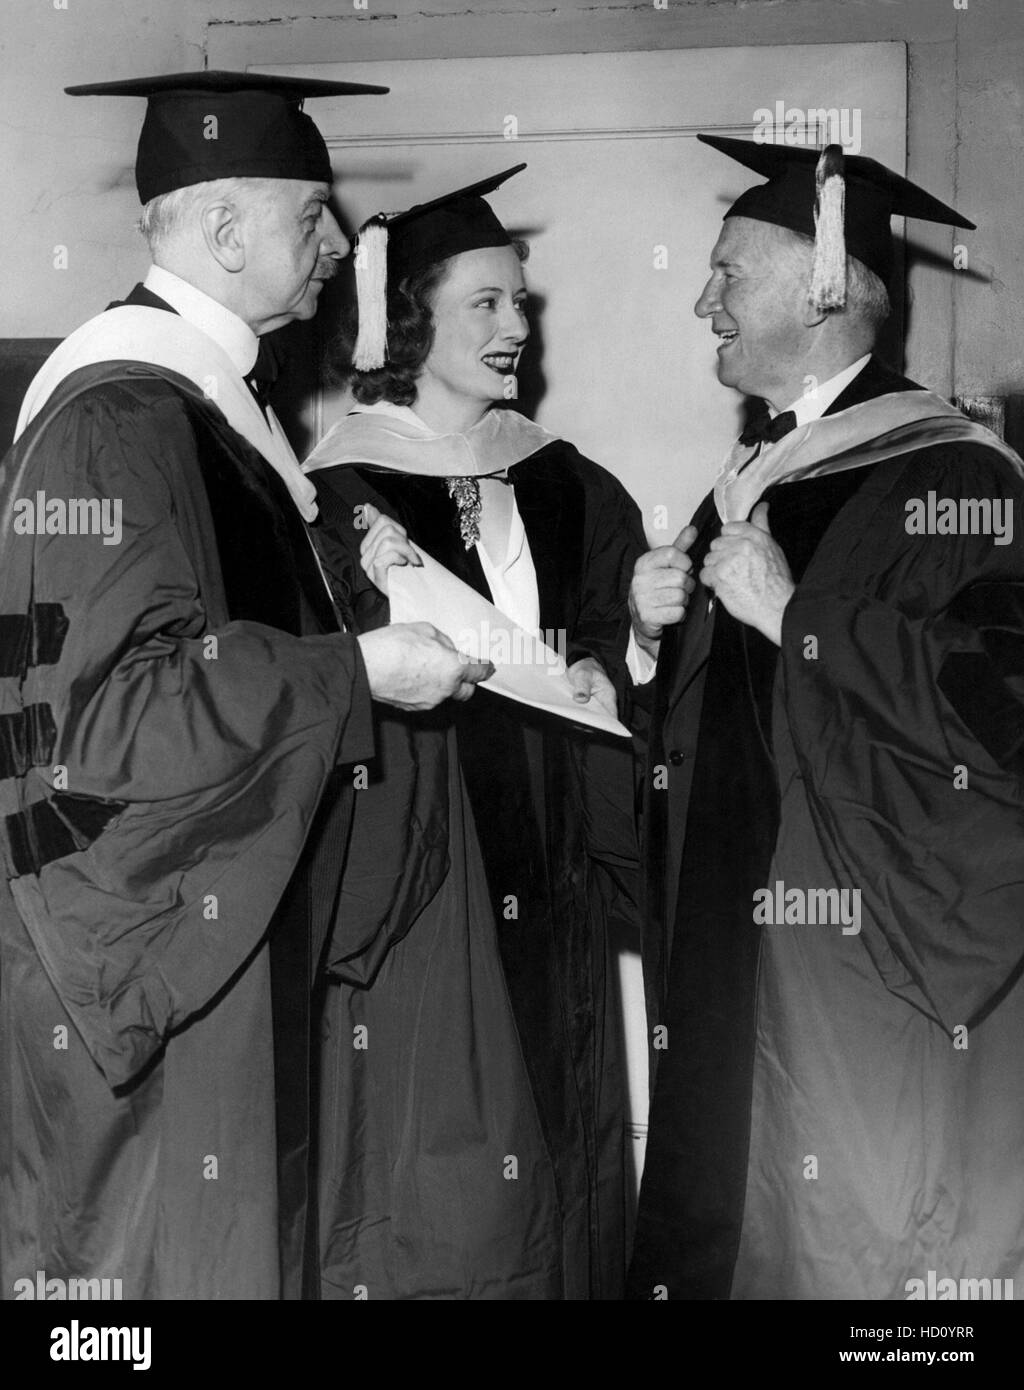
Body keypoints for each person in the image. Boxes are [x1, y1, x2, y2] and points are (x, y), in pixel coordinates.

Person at [0, 70, 491, 1302]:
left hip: (237, 931)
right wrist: (359, 668)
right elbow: (109, 722)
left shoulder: (219, 408)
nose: (340, 244)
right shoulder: (119, 417)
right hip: (152, 958)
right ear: (225, 232)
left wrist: (357, 583)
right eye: (310, 217)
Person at [626, 136, 1024, 1300]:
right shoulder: (748, 480)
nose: (702, 300)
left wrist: (797, 616)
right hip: (728, 923)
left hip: (851, 942)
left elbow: (1000, 705)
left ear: (824, 284)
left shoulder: (960, 481)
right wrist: (648, 644)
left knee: (847, 1237)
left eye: (726, 273)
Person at [303, 165, 648, 1299]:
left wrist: (631, 645)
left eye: (522, 303)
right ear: (411, 319)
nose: (516, 327)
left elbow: (607, 662)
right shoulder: (333, 493)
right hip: (424, 880)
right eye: (486, 304)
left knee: (567, 1146)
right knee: (444, 1189)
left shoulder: (569, 482)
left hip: (556, 881)